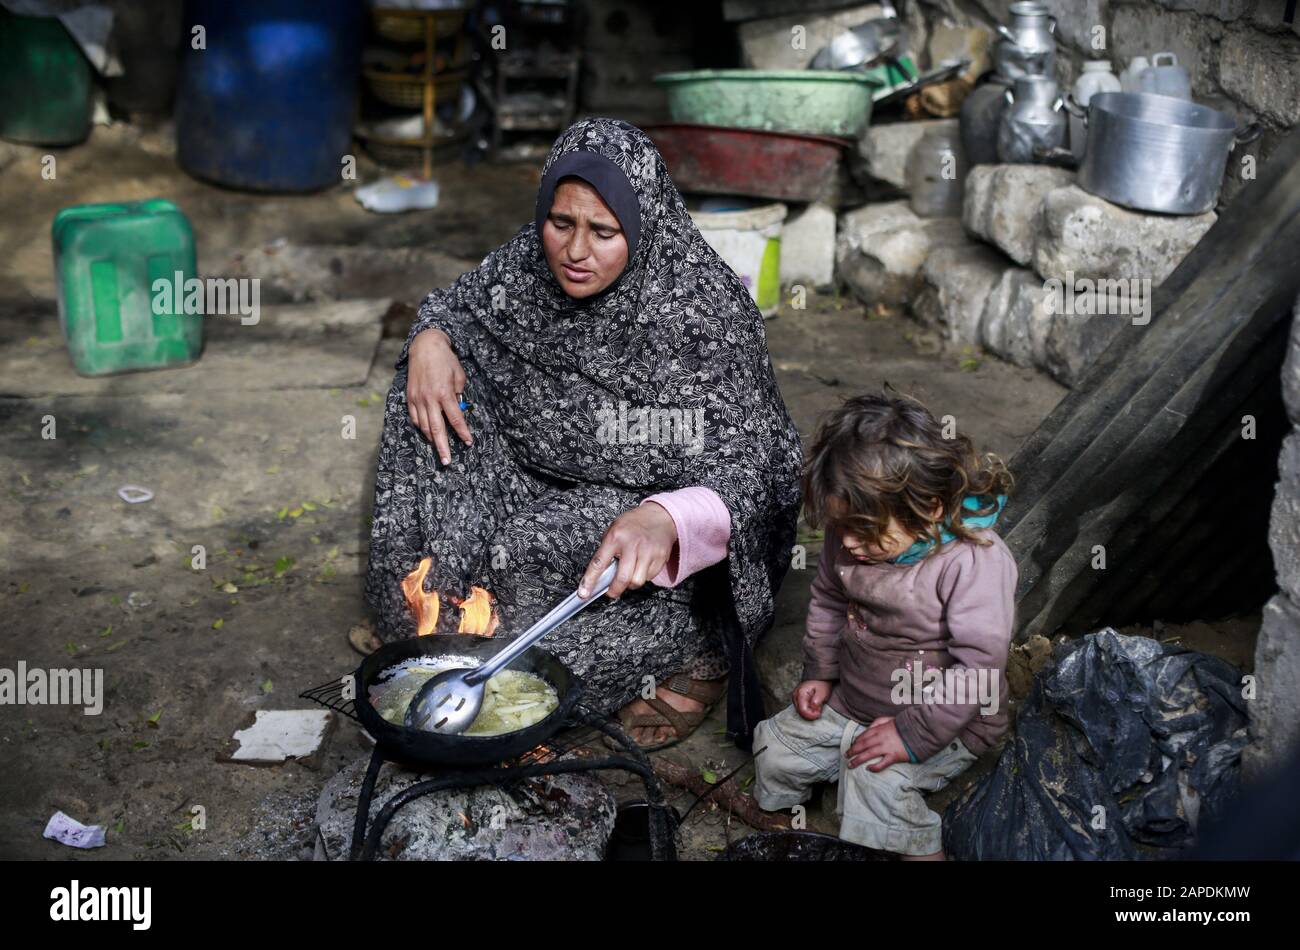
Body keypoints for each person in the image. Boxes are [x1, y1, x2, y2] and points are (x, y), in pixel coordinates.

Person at [362, 117, 802, 751]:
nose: (574, 251)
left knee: (532, 585)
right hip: (533, 468)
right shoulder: (528, 265)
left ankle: (695, 656)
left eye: (604, 232)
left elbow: (756, 466)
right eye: (561, 223)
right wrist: (431, 337)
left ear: (642, 227)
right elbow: (459, 303)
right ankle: (437, 610)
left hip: (649, 511)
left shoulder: (704, 311)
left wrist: (666, 518)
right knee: (424, 395)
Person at [752, 391, 1016, 858]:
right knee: (773, 749)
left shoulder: (973, 561)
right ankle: (785, 834)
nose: (848, 543)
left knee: (873, 782)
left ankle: (922, 852)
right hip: (852, 701)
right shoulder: (849, 534)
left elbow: (978, 669)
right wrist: (820, 673)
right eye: (839, 527)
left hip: (944, 722)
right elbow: (829, 601)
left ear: (930, 507)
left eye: (866, 531)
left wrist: (910, 735)